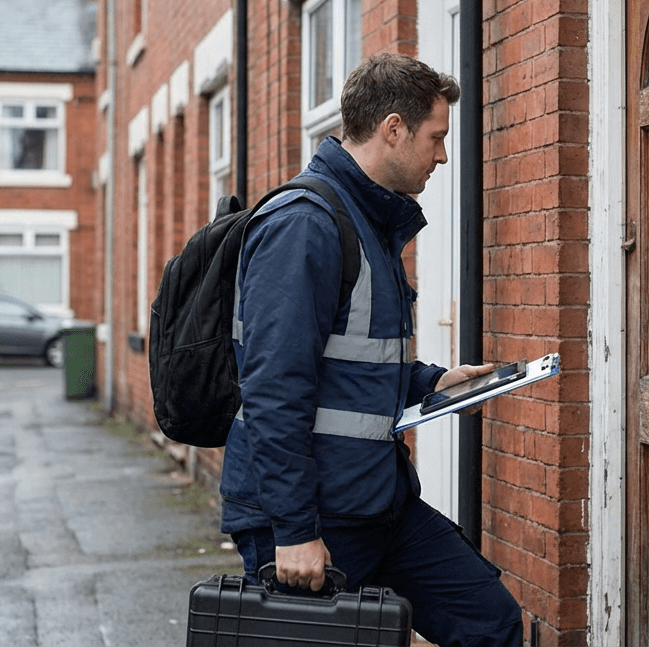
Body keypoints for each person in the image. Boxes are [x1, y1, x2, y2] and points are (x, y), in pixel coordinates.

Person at [219, 52, 524, 646]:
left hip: (376, 502)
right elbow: (274, 390)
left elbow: (353, 362)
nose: (441, 155)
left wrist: (431, 383)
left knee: (487, 620)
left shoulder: (369, 220)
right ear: (393, 129)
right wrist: (294, 530)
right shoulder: (306, 224)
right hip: (314, 515)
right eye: (436, 137)